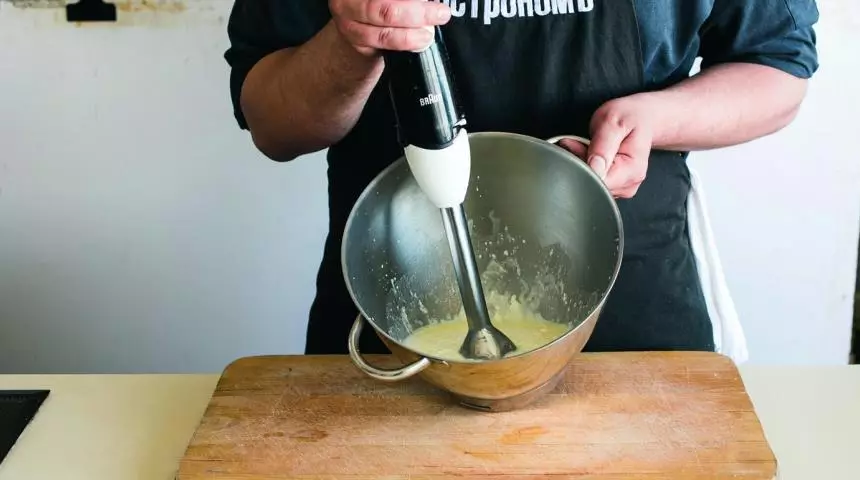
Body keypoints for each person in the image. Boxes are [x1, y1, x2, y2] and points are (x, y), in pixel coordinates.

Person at [224, 0, 819, 355]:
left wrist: (655, 118)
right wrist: (352, 42)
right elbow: (274, 125)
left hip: (630, 318)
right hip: (390, 317)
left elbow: (777, 69)